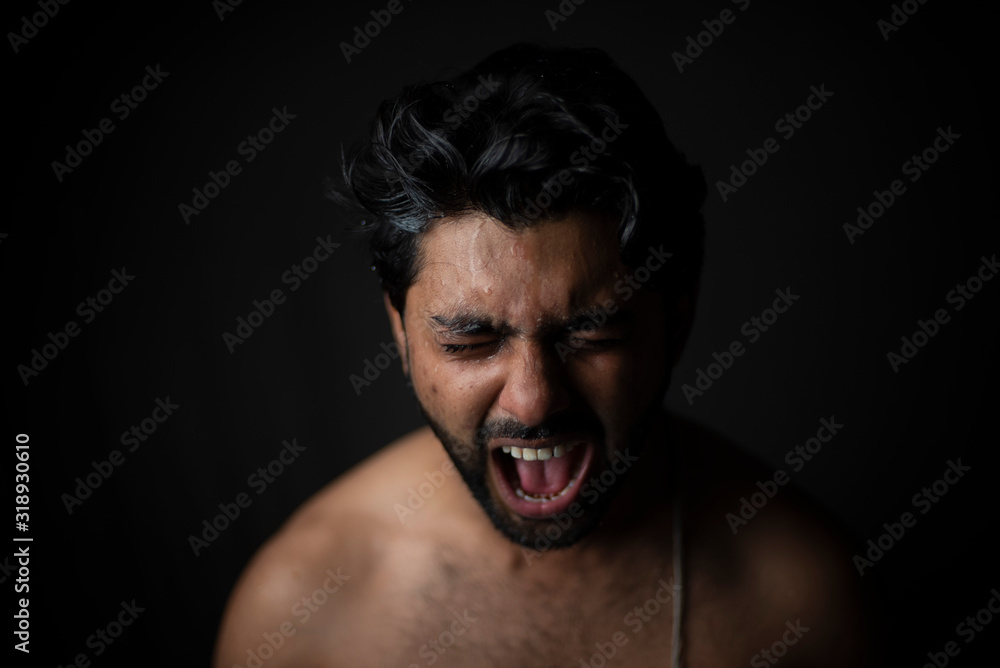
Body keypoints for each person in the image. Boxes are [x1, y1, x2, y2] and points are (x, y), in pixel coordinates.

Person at [215, 44, 876, 667]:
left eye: (590, 335)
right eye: (470, 342)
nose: (533, 399)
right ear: (400, 331)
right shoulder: (302, 609)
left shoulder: (805, 601)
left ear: (677, 319)